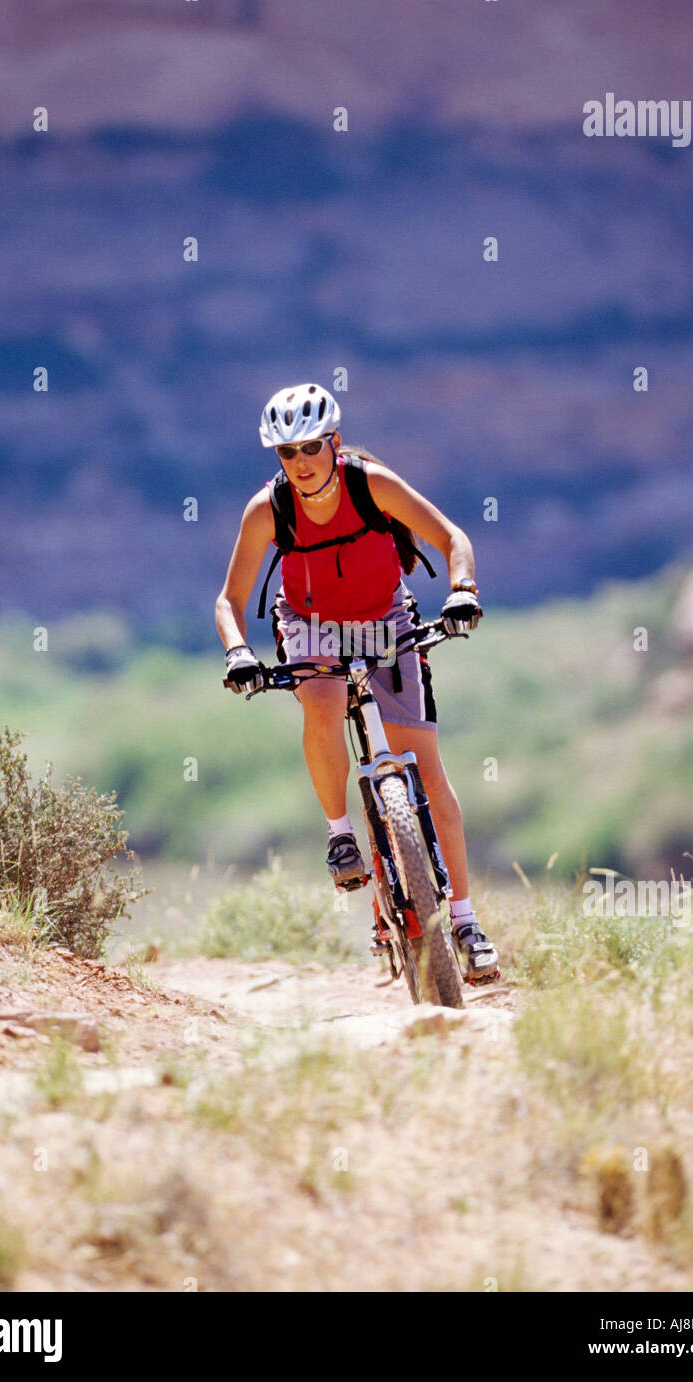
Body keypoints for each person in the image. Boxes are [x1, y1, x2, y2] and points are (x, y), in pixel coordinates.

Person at [215, 383, 499, 984]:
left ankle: (467, 922)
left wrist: (462, 591)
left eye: (312, 446)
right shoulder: (267, 510)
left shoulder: (373, 484)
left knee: (422, 765)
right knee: (321, 698)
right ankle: (341, 835)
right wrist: (239, 651)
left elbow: (453, 539)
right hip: (310, 624)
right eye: (287, 452)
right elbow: (229, 601)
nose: (301, 462)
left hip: (384, 619)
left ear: (334, 443)